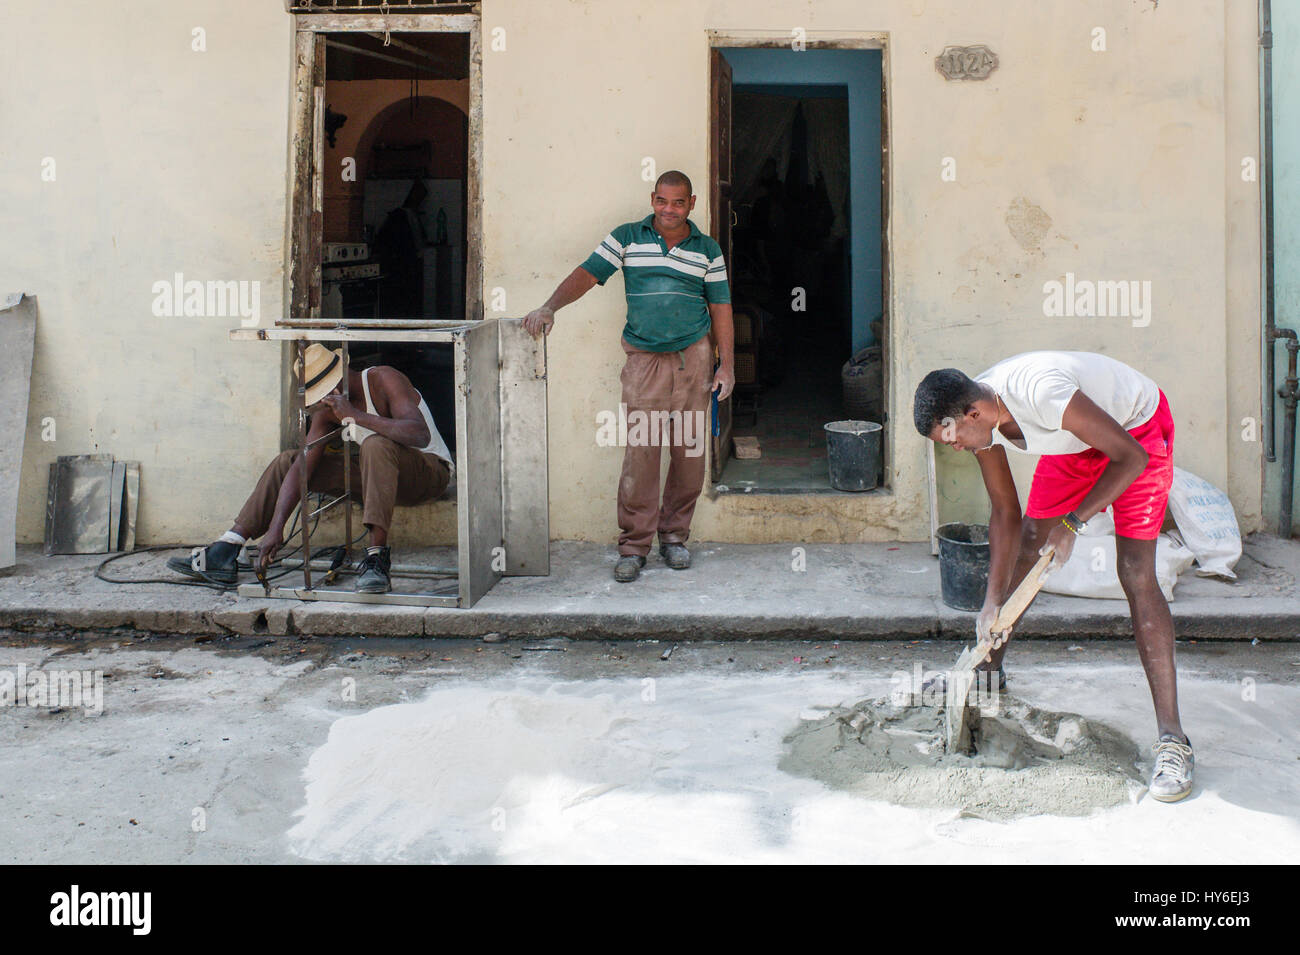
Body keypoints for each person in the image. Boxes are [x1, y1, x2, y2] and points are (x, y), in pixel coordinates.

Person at [913, 350, 1193, 802]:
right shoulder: (981, 419)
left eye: (950, 438)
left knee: (1135, 572)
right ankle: (986, 671)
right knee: (1028, 541)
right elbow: (1005, 511)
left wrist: (1073, 524)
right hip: (1077, 442)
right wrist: (990, 604)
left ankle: (1173, 740)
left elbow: (1131, 457)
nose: (954, 446)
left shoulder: (1043, 393)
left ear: (971, 414)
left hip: (1135, 432)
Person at [522, 171, 734, 582]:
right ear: (652, 198)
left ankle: (674, 538)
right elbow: (587, 273)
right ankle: (634, 546)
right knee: (642, 453)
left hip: (693, 356)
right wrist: (550, 307)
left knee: (689, 452)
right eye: (662, 201)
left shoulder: (707, 249)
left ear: (691, 203)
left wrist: (724, 364)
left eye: (678, 202)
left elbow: (721, 305)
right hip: (643, 359)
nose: (669, 210)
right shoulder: (627, 237)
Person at [168, 344, 453, 594]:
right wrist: (277, 528)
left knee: (375, 445)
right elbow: (302, 465)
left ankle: (376, 558)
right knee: (289, 460)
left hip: (427, 474)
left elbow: (419, 434)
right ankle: (228, 546)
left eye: (326, 390)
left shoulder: (383, 379)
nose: (323, 400)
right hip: (379, 479)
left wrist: (357, 416)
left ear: (341, 375)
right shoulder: (328, 410)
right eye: (319, 395)